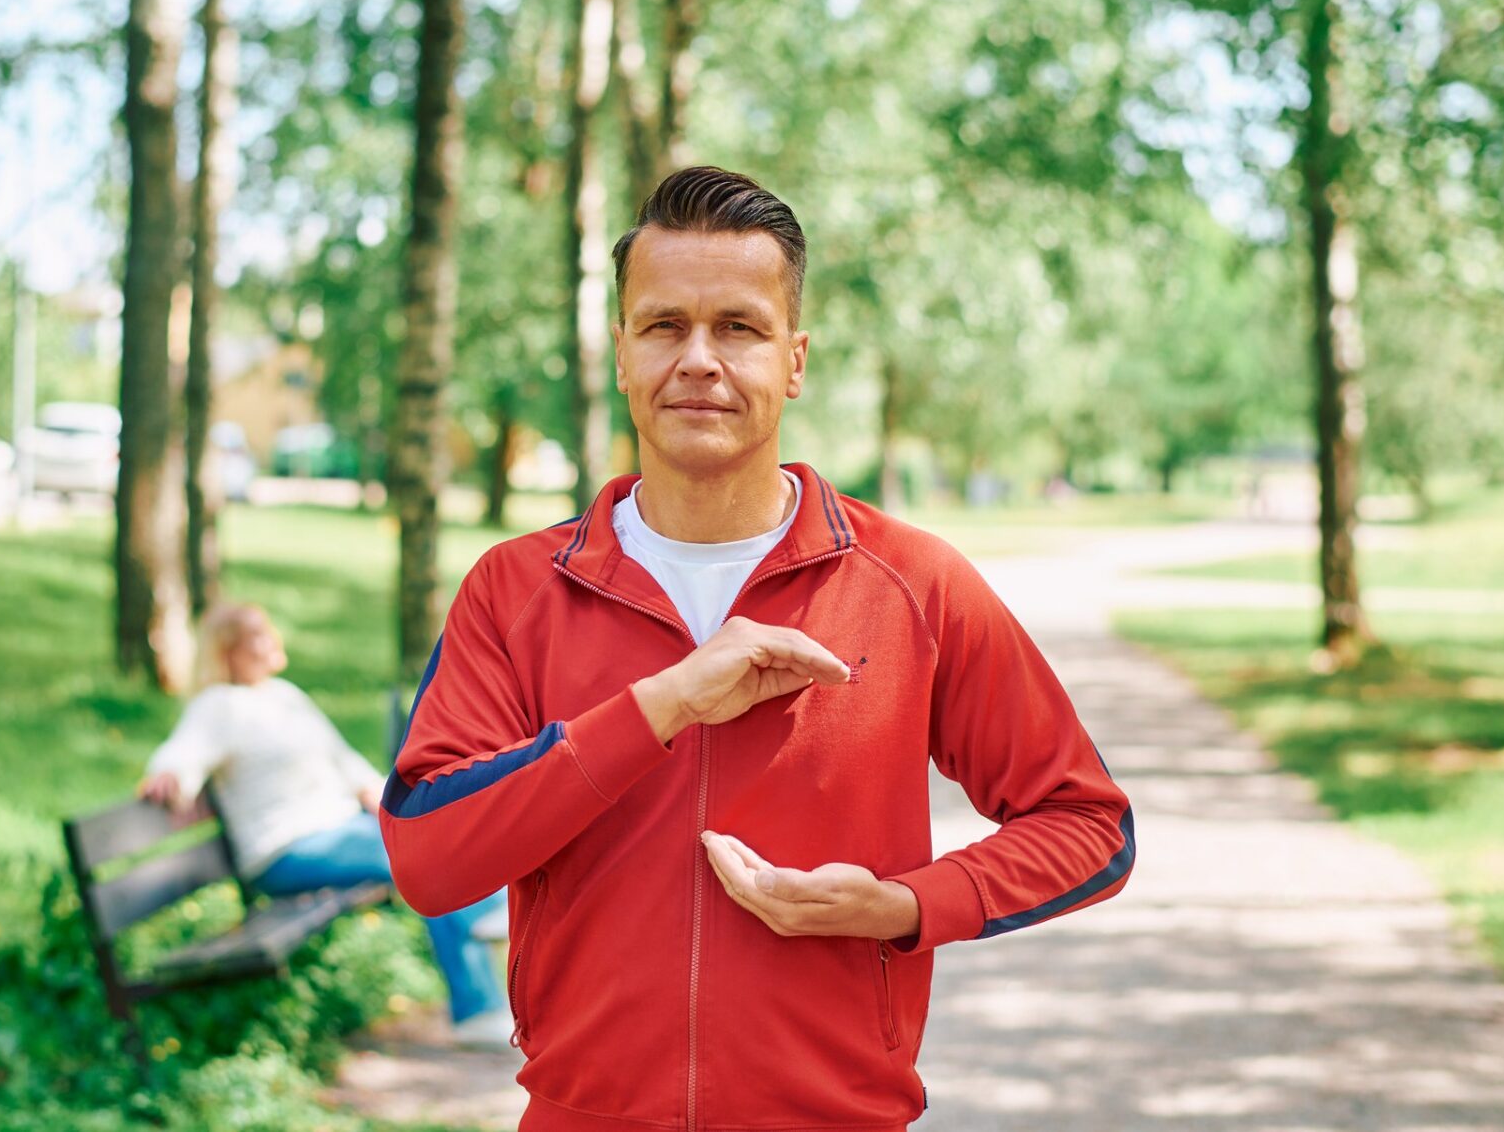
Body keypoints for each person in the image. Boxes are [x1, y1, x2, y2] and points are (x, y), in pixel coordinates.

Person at [378, 166, 1137, 1129]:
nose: (699, 358)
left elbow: (1088, 826)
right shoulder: (519, 589)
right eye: (664, 326)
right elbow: (429, 858)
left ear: (795, 358)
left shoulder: (912, 582)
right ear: (621, 354)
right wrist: (664, 704)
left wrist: (902, 907)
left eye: (738, 326)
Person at [138, 601, 513, 1049]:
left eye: (267, 630)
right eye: (256, 636)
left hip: (336, 830)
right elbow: (184, 751)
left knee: (433, 837)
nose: (270, 640)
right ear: (228, 651)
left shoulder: (284, 695)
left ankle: (489, 940)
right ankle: (477, 1000)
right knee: (424, 857)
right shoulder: (220, 705)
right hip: (283, 850)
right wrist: (169, 774)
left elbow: (339, 756)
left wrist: (378, 794)